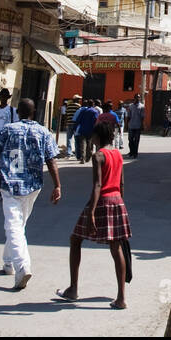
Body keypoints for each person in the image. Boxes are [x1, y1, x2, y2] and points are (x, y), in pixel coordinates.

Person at [0, 98, 61, 291]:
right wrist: (57, 185)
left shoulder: (7, 130)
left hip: (10, 184)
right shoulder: (43, 132)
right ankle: (8, 263)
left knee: (14, 226)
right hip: (33, 186)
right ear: (34, 112)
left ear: (18, 112)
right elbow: (51, 160)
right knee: (17, 225)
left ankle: (22, 266)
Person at [56, 119, 131, 309]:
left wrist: (91, 212)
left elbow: (97, 185)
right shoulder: (118, 155)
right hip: (117, 201)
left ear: (97, 137)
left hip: (102, 201)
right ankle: (121, 298)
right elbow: (121, 183)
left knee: (75, 239)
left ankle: (73, 289)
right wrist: (120, 203)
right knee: (116, 248)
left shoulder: (98, 156)